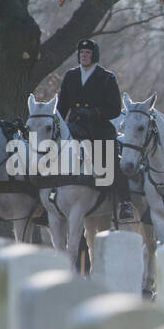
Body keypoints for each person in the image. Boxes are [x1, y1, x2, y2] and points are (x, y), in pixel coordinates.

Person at [57, 38, 133, 221]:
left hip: (99, 129)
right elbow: (61, 108)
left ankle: (125, 202)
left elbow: (114, 109)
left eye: (88, 53)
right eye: (82, 53)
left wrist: (93, 113)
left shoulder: (107, 77)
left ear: (94, 55)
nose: (84, 56)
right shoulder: (70, 76)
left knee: (112, 160)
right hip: (74, 127)